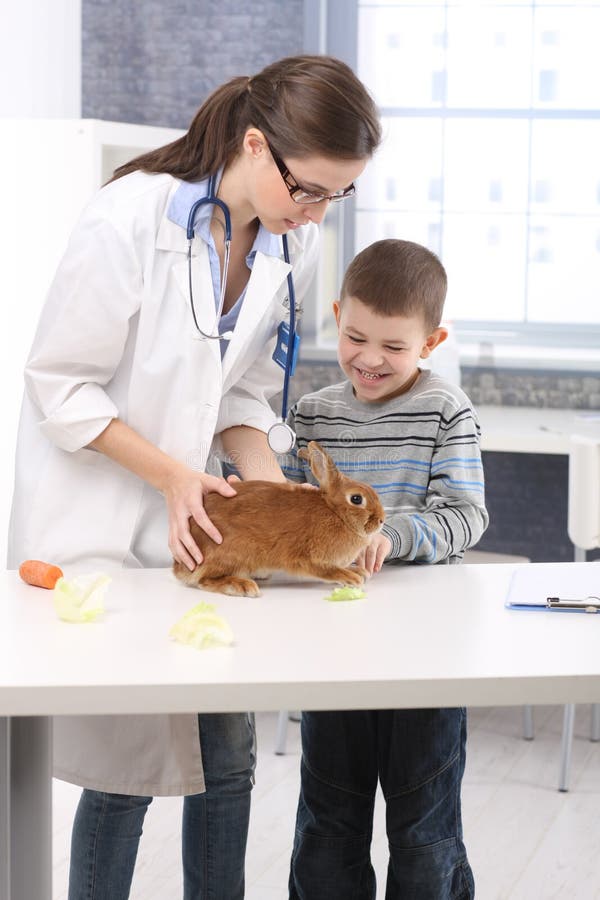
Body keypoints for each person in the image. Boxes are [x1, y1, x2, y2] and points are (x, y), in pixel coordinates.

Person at [7, 55, 381, 899]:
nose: (317, 213)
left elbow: (241, 390)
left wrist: (276, 494)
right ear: (254, 145)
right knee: (125, 771)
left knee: (228, 755)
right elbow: (59, 384)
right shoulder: (128, 218)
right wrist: (176, 477)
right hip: (102, 524)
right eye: (309, 189)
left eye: (337, 195)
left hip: (208, 530)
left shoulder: (290, 243)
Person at [283, 239, 489, 900]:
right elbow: (286, 510)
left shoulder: (446, 410)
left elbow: (466, 514)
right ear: (336, 317)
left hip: (428, 651)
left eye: (394, 347)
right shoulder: (313, 416)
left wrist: (391, 535)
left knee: (424, 833)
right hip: (335, 651)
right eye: (355, 337)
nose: (370, 359)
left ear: (431, 342)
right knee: (328, 829)